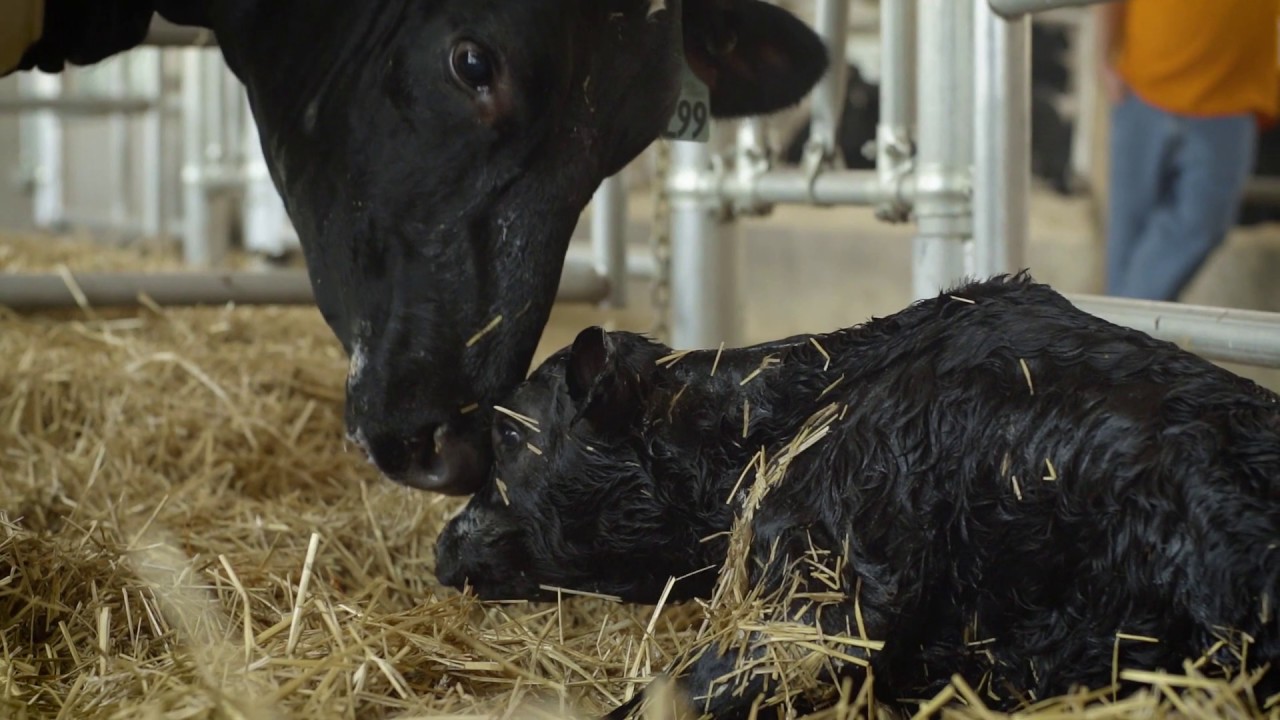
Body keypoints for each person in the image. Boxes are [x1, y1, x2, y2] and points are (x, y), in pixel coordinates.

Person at [1097, 0, 1279, 302]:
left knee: (1202, 223)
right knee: (1127, 237)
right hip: (1143, 88)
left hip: (1231, 98)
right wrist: (1103, 58)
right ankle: (1120, 337)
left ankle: (1114, 334)